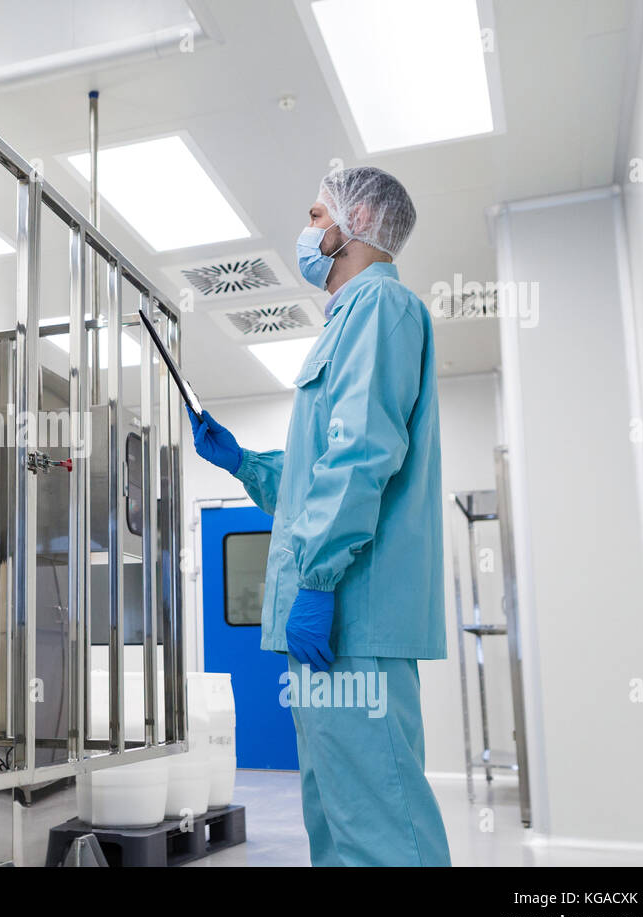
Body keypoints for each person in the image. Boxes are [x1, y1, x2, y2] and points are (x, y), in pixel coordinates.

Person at [189, 166, 452, 866]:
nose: (308, 230)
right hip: (331, 623)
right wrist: (246, 464)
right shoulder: (348, 322)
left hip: (349, 615)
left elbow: (363, 455)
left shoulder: (379, 310)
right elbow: (318, 477)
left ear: (356, 217)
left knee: (380, 822)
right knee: (335, 818)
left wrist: (319, 578)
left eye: (315, 214)